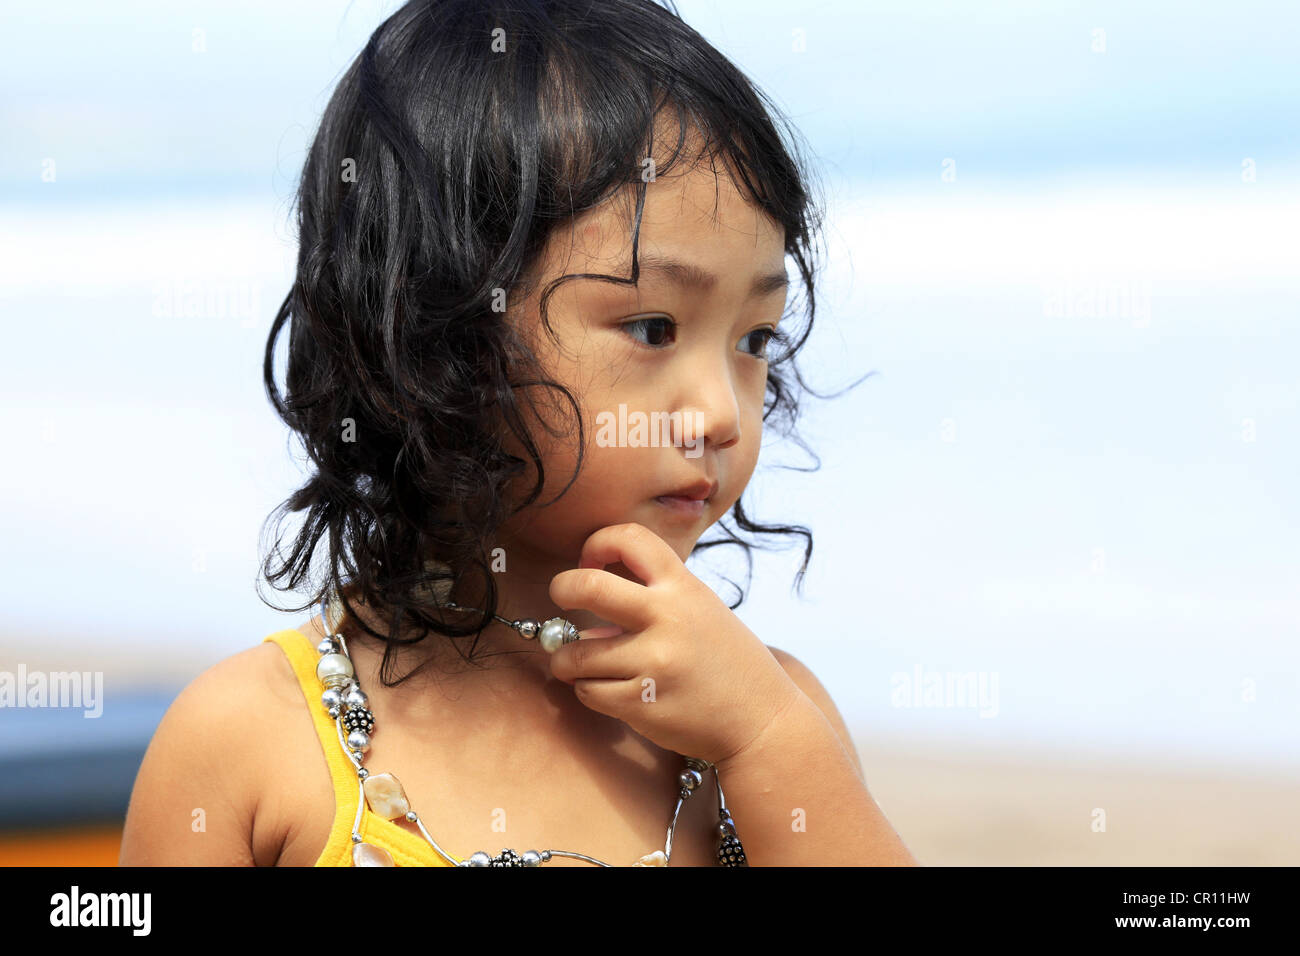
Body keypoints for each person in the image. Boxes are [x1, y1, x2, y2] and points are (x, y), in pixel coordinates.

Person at [119, 0, 916, 867]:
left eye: (754, 340)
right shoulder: (247, 747)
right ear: (432, 330)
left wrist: (767, 743)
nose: (722, 413)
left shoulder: (771, 724)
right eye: (653, 328)